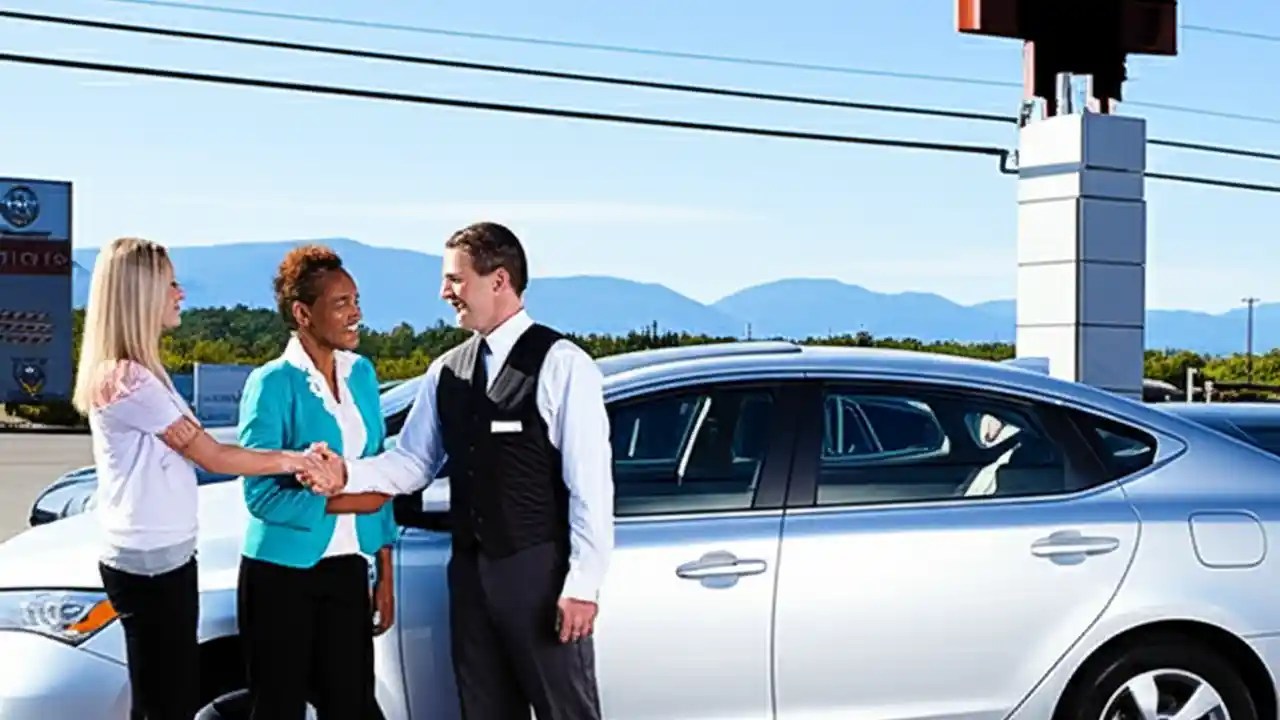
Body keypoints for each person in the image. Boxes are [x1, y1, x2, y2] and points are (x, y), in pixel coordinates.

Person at [305, 221, 614, 719]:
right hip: (469, 574)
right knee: (482, 709)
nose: (444, 292)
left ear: (499, 280)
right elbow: (412, 462)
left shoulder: (563, 364)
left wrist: (583, 585)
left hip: (538, 571)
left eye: (455, 279)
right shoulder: (446, 371)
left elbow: (591, 488)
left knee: (566, 711)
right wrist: (345, 475)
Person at [71, 236, 329, 720]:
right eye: (169, 284)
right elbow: (211, 455)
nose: (180, 294)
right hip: (151, 564)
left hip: (161, 557)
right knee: (165, 701)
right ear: (140, 293)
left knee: (164, 695)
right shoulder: (128, 381)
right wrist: (294, 461)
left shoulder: (140, 374)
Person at [235, 244, 399, 720]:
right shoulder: (271, 383)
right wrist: (347, 503)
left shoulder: (362, 373)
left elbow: (378, 465)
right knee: (278, 710)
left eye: (356, 300)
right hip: (280, 576)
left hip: (348, 570)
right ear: (303, 314)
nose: (356, 314)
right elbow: (260, 495)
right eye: (341, 304)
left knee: (352, 708)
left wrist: (384, 571)